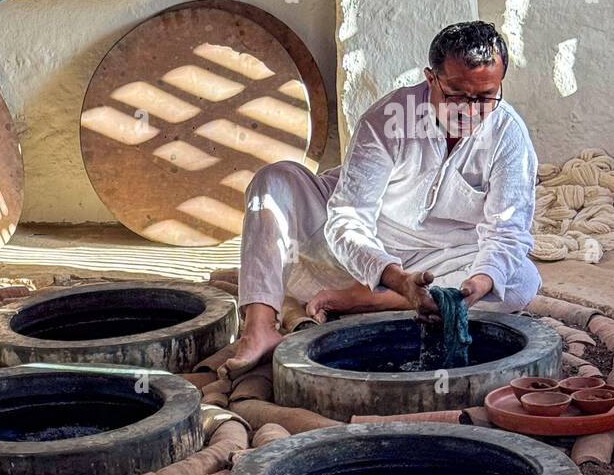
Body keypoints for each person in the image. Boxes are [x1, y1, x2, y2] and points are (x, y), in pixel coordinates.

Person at [228, 20, 540, 375]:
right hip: (358, 253)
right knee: (274, 182)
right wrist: (393, 276)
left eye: (485, 98)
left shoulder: (509, 135)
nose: (470, 111)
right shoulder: (387, 119)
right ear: (430, 78)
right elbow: (348, 218)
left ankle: (367, 300)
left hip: (443, 261)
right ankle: (259, 329)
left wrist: (477, 285)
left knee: (519, 281)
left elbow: (506, 232)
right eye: (456, 95)